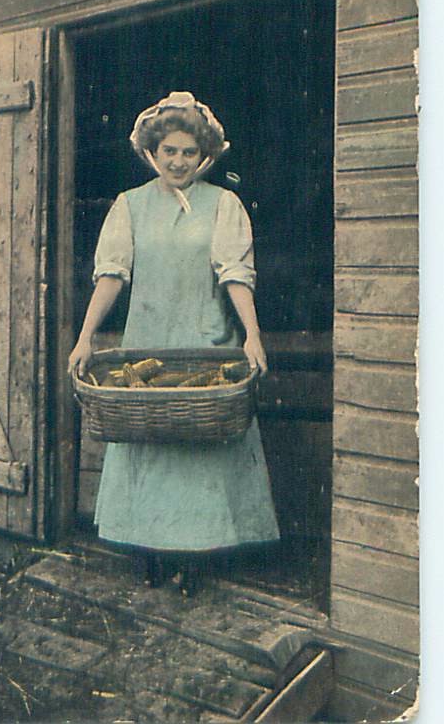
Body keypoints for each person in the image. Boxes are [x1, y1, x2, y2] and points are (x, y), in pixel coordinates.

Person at [68, 91, 279, 595]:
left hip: (205, 342)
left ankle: (199, 560)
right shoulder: (130, 206)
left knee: (201, 451)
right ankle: (150, 553)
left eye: (189, 152)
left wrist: (251, 334)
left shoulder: (223, 204)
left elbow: (235, 274)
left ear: (204, 154)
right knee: (151, 446)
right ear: (152, 153)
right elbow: (112, 275)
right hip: (149, 344)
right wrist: (84, 336)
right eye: (170, 152)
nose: (179, 162)